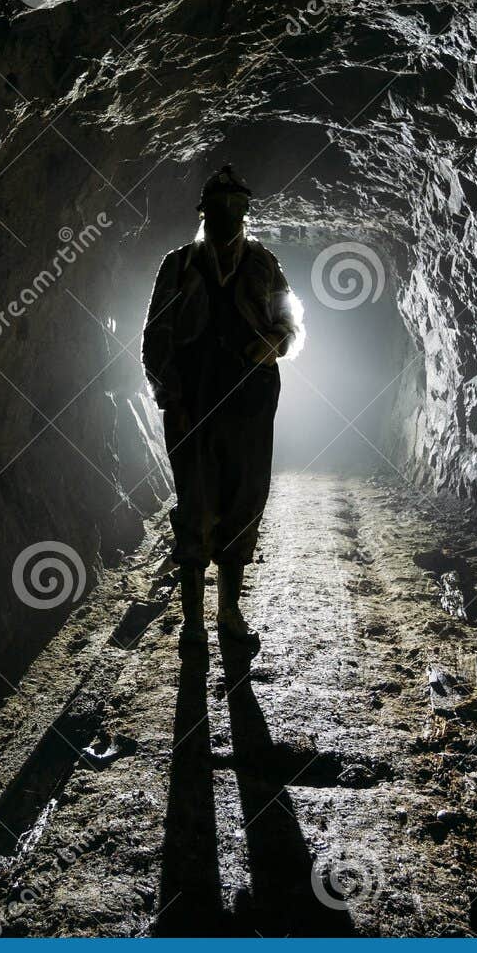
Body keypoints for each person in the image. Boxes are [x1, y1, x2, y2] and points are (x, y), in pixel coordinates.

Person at [141, 165, 304, 650]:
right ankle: (193, 622)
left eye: (237, 207)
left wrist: (272, 342)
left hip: (250, 406)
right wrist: (172, 398)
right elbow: (155, 337)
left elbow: (290, 322)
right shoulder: (178, 266)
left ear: (247, 211)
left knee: (244, 500)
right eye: (219, 207)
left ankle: (228, 612)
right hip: (193, 403)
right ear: (204, 212)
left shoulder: (262, 263)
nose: (228, 216)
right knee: (195, 505)